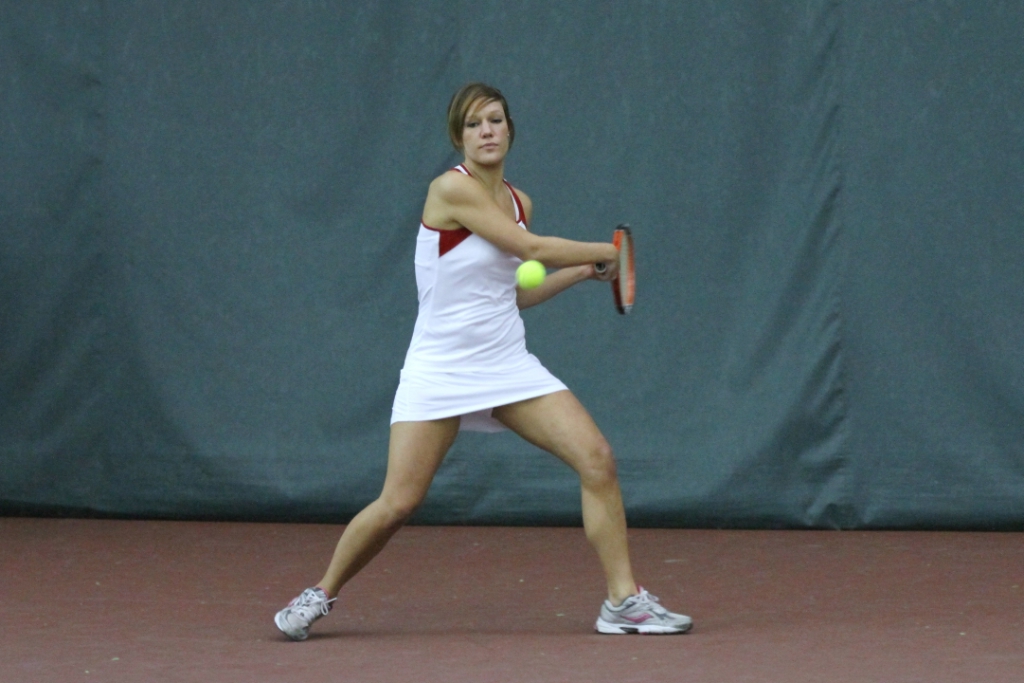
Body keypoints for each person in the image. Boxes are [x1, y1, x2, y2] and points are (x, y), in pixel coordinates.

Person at [274, 82, 692, 639]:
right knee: (398, 501)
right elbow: (532, 251)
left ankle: (623, 601)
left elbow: (513, 292)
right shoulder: (450, 189)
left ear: (510, 130)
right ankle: (319, 593)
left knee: (597, 459)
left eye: (495, 120)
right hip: (439, 369)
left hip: (506, 363)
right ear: (459, 137)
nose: (486, 131)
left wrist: (580, 273)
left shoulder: (520, 203)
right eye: (473, 124)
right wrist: (606, 251)